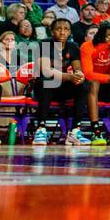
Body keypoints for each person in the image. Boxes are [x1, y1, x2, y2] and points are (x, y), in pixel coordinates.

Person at [30, 17, 88, 145]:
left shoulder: (72, 46)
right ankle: (41, 129)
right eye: (58, 29)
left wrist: (79, 75)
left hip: (63, 89)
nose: (62, 32)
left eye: (66, 29)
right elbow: (45, 70)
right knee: (47, 81)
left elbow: (78, 68)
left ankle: (75, 131)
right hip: (43, 90)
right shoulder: (44, 44)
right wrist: (69, 76)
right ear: (52, 31)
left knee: (84, 85)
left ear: (70, 32)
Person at [77, 22, 110, 146]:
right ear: (101, 36)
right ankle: (95, 131)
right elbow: (89, 74)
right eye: (108, 36)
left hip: (106, 86)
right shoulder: (87, 46)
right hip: (88, 88)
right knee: (93, 83)